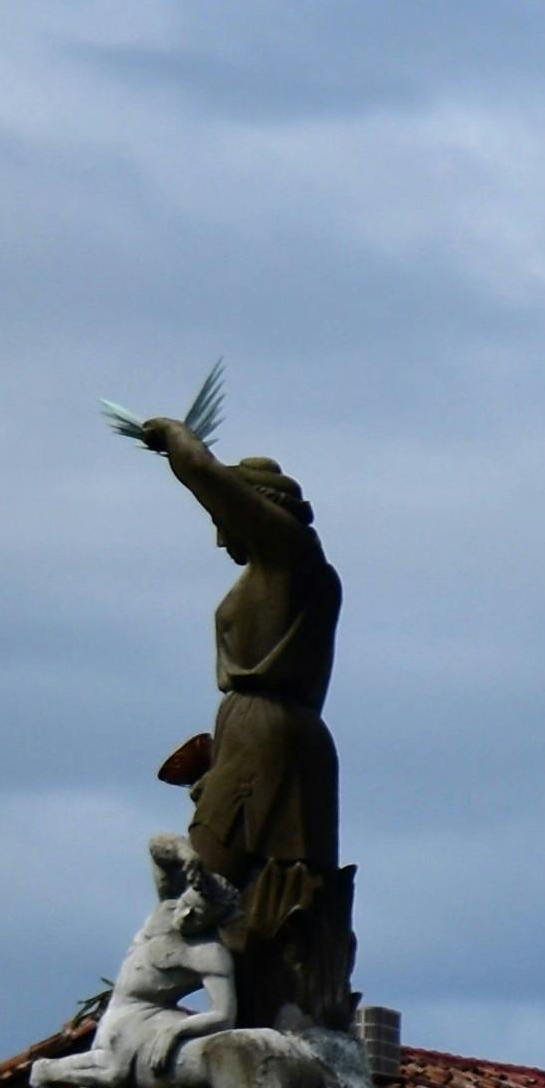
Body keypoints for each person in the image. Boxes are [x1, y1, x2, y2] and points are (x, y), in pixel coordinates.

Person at [121, 407, 357, 1031]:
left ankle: (151, 1005)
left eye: (227, 516)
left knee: (198, 875)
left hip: (266, 732)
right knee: (261, 894)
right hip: (262, 731)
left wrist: (175, 439)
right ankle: (233, 1002)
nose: (219, 531)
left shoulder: (293, 561)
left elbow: (204, 472)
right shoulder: (280, 572)